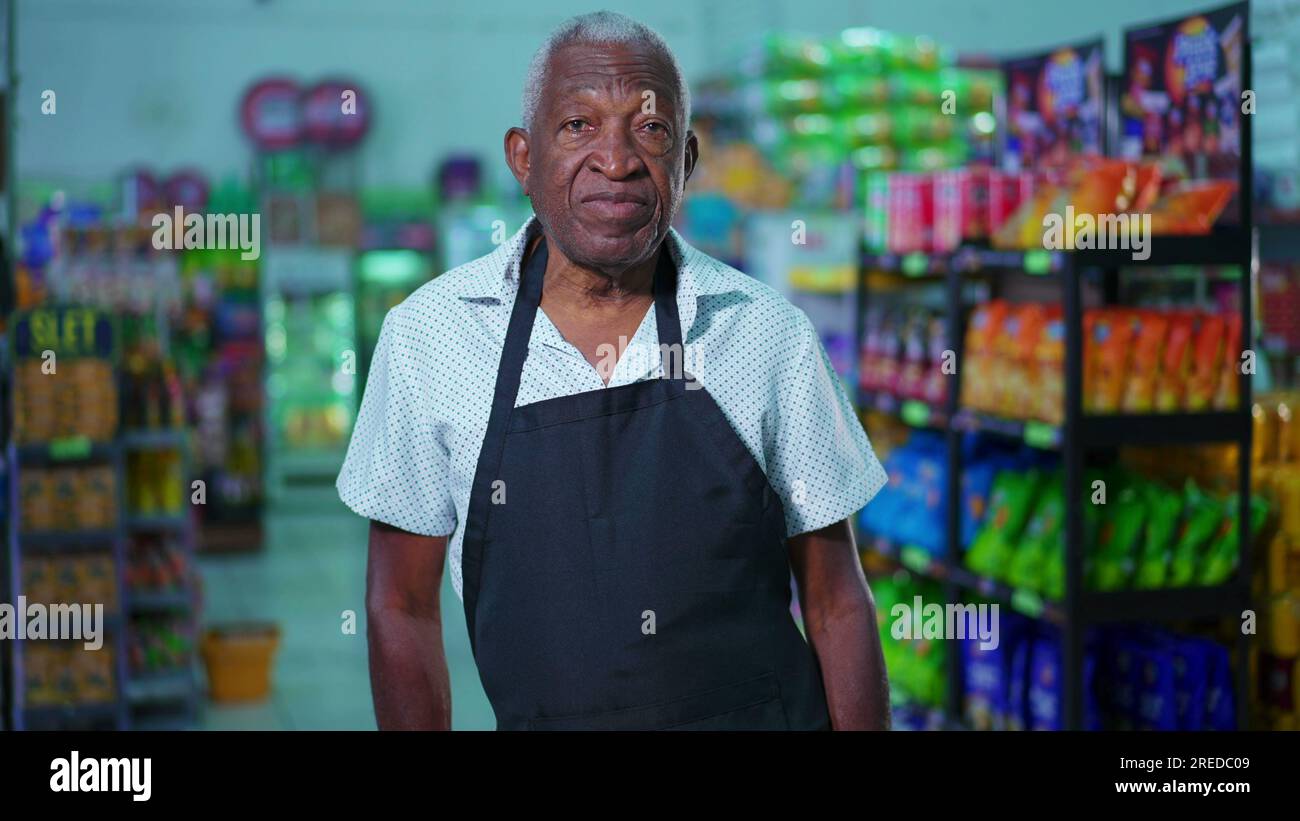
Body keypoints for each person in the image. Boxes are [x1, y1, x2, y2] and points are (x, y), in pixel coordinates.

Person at [338, 11, 890, 731]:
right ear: (522, 156)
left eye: (651, 128)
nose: (618, 158)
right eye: (578, 126)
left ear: (686, 161)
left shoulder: (765, 333)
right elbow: (399, 605)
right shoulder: (431, 337)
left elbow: (837, 599)